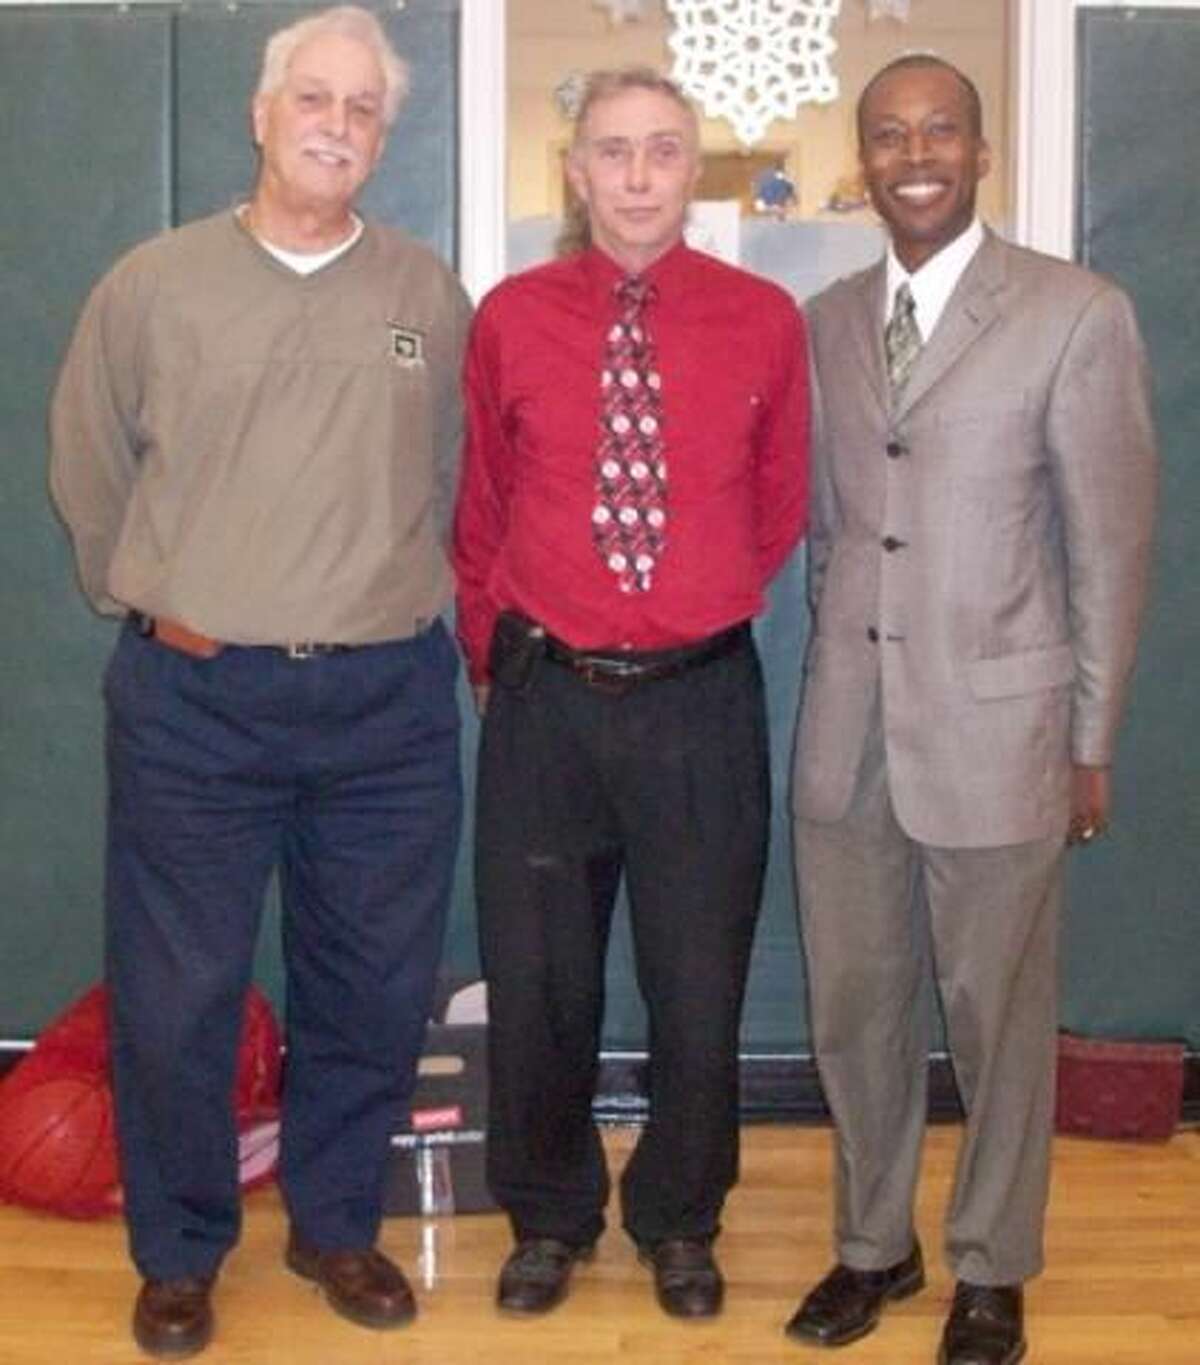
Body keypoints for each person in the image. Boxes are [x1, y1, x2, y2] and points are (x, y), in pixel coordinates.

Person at [49, 7, 471, 1356]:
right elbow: (89, 467)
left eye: (362, 109)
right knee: (176, 997)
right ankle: (180, 1251)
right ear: (261, 111)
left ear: (382, 136)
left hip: (386, 708)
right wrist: (167, 594)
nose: (336, 125)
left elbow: (454, 481)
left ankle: (338, 1224)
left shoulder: (425, 295)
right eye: (314, 99)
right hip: (196, 707)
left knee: (370, 986)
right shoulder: (154, 285)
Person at [787, 55, 1156, 1365]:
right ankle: (871, 1247)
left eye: (940, 128)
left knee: (998, 1020)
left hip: (1003, 730)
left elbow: (1110, 547)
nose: (915, 152)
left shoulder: (1074, 313)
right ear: (864, 160)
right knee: (856, 1010)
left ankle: (994, 1267)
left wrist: (1090, 740)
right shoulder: (825, 319)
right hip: (848, 734)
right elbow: (835, 534)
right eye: (888, 135)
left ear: (983, 152)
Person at [453, 68, 809, 1322]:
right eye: (615, 151)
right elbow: (483, 506)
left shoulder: (766, 319)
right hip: (547, 700)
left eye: (665, 150)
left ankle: (679, 1219)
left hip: (698, 700)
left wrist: (677, 606)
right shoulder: (510, 317)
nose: (641, 174)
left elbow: (776, 510)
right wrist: (498, 654)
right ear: (577, 170)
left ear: (691, 167)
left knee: (698, 981)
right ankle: (549, 1216)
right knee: (541, 977)